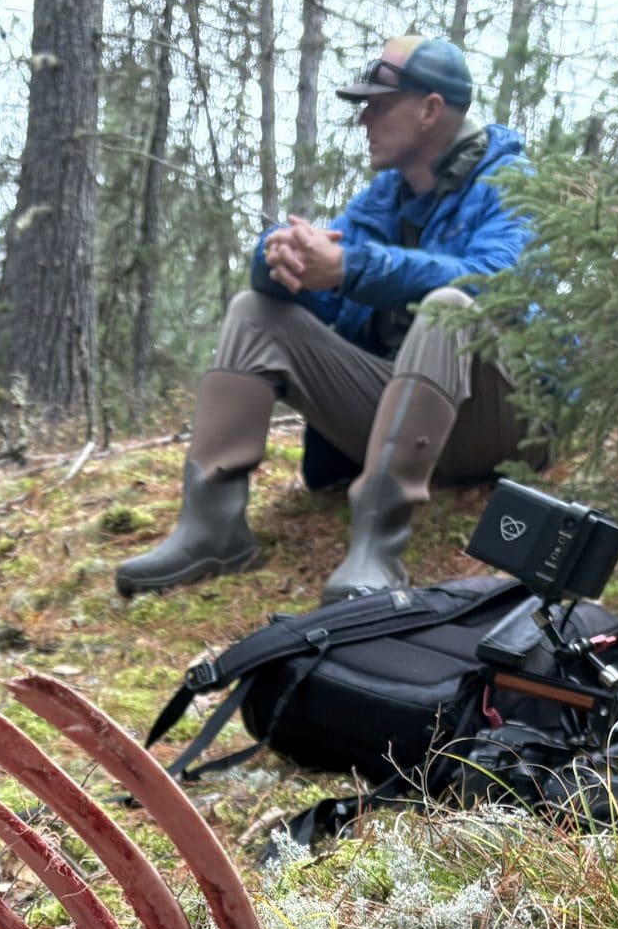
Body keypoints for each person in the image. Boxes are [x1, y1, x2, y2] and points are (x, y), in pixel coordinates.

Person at [118, 37, 537, 608]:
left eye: (378, 105)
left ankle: (376, 549)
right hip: (407, 420)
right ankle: (212, 529)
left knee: (452, 306)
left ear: (431, 109)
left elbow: (495, 283)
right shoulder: (385, 199)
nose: (363, 119)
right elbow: (333, 286)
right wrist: (280, 256)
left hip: (504, 423)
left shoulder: (511, 181)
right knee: (254, 311)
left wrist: (352, 267)